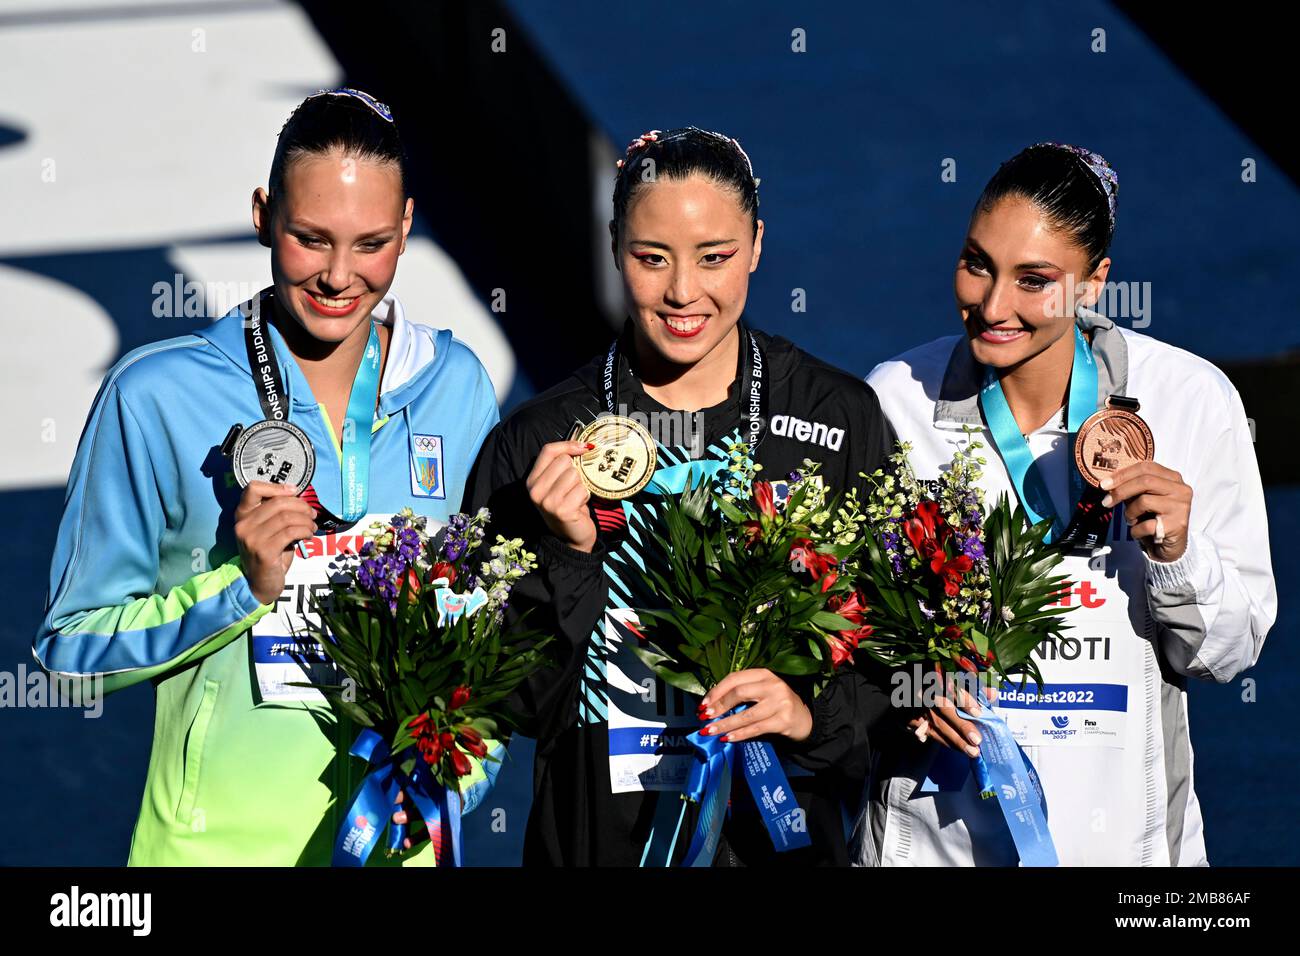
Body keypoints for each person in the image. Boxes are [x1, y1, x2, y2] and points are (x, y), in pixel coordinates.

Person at [33, 88, 502, 865]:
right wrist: (236, 591)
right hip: (213, 851)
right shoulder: (155, 397)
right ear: (262, 215)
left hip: (398, 847)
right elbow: (69, 658)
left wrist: (452, 779)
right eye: (311, 239)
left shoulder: (456, 389)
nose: (339, 276)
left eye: (371, 242)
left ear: (408, 228)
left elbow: (490, 640)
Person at [465, 127, 897, 866]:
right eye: (651, 257)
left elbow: (901, 661)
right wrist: (568, 558)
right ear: (613, 246)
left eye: (715, 257)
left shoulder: (839, 418)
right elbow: (499, 701)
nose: (682, 292)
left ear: (757, 245)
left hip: (780, 845)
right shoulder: (538, 441)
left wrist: (809, 715)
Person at [853, 143, 1276, 866]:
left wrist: (1177, 556)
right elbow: (845, 628)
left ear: (1095, 283)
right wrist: (904, 689)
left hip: (1124, 849)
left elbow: (1226, 654)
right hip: (929, 847)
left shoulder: (1192, 399)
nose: (993, 305)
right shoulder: (894, 399)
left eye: (1034, 280)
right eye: (977, 263)